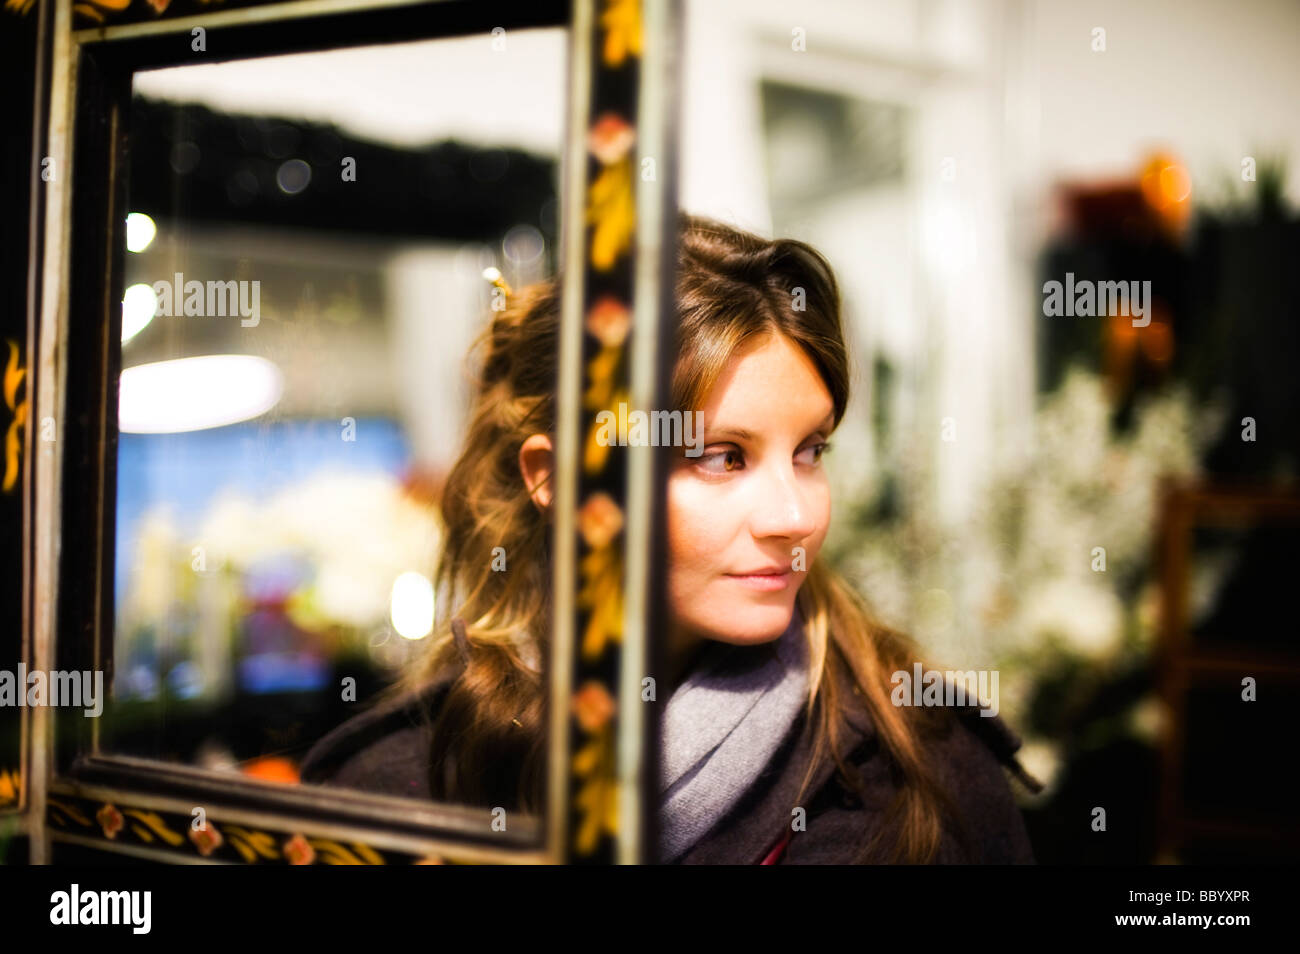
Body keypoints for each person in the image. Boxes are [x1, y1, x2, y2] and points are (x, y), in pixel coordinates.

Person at [299, 212, 1041, 864]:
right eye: (723, 456)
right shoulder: (396, 787)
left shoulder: (919, 781)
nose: (795, 515)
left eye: (811, 451)